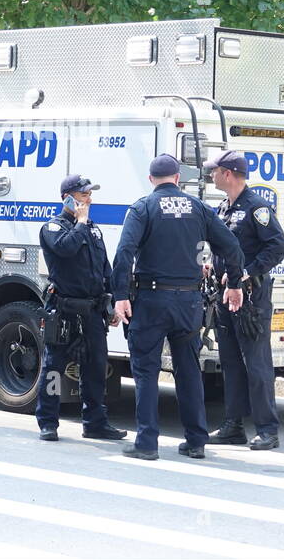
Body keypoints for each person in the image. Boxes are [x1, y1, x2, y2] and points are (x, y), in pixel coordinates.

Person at [111, 154, 244, 461]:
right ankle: (196, 441)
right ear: (177, 179)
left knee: (145, 370)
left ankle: (146, 443)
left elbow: (124, 253)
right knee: (188, 371)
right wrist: (234, 283)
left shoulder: (142, 207)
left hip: (151, 301)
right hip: (189, 303)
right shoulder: (198, 208)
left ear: (151, 180)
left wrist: (120, 295)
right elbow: (232, 247)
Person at [204, 151, 284, 451]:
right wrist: (211, 266)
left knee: (257, 364)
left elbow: (278, 247)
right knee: (230, 363)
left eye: (214, 171)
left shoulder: (256, 208)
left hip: (251, 298)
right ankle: (233, 425)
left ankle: (267, 430)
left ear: (228, 173)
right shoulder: (223, 207)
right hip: (224, 296)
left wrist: (246, 274)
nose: (210, 175)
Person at [35, 173, 127, 443]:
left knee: (97, 369)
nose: (89, 199)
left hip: (92, 313)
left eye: (89, 194)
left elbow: (104, 269)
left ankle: (95, 423)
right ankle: (48, 423)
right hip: (64, 312)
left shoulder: (93, 229)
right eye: (84, 195)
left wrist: (110, 304)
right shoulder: (53, 228)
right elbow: (65, 249)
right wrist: (81, 222)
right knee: (54, 369)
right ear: (68, 199)